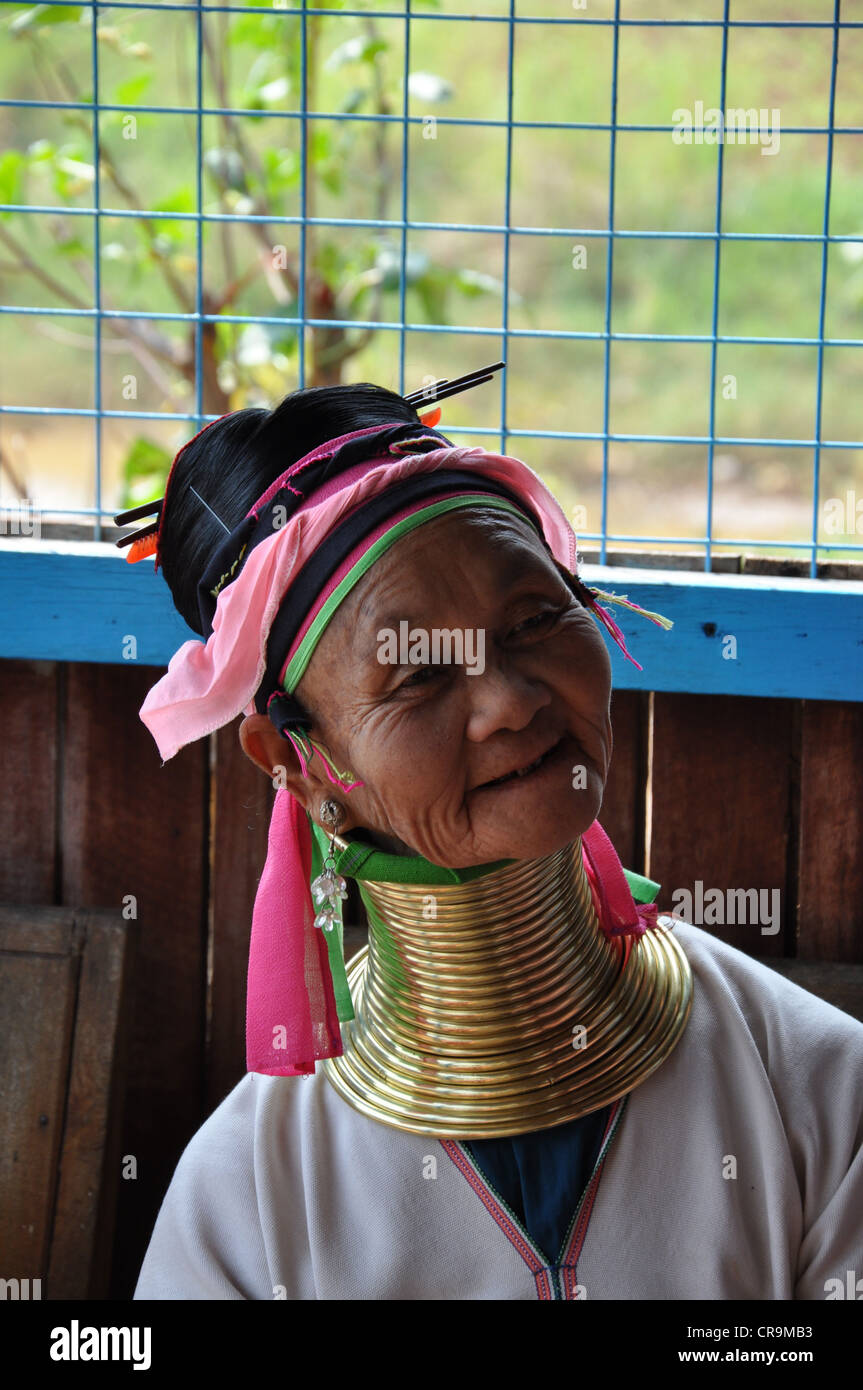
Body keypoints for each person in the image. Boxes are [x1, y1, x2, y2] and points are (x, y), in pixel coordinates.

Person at [122, 371, 863, 1301]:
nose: (510, 700)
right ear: (296, 761)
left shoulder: (820, 1093)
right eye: (419, 677)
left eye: (535, 618)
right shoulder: (248, 1201)